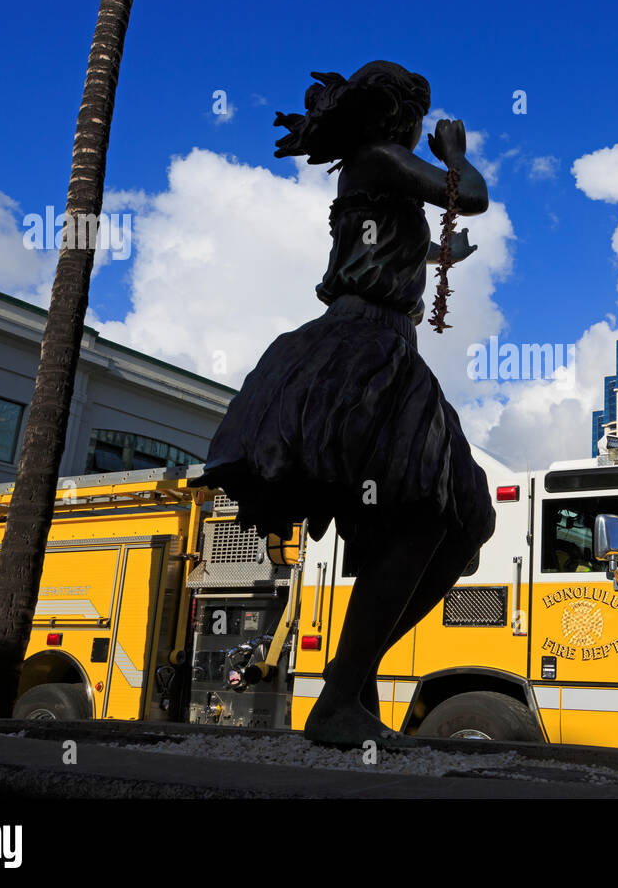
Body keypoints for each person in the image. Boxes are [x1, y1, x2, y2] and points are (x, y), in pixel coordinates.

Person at [193, 61, 496, 745]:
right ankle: (342, 694)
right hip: (361, 351)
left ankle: (351, 682)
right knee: (428, 512)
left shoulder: (380, 172)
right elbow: (469, 193)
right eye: (419, 116)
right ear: (397, 117)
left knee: (465, 519)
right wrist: (456, 159)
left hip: (388, 349)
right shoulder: (380, 158)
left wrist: (440, 257)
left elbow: (386, 251)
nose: (424, 128)